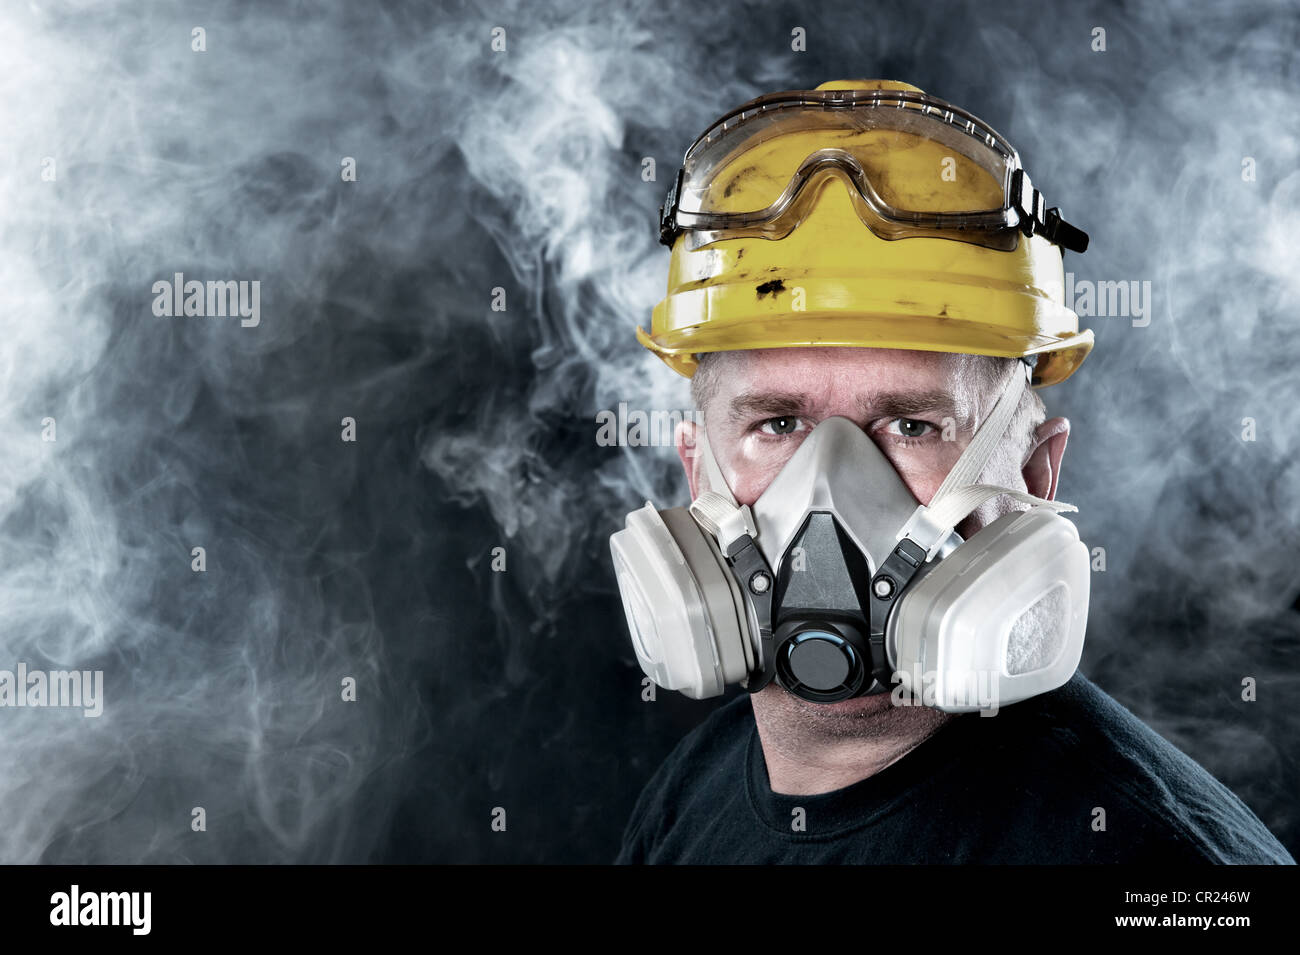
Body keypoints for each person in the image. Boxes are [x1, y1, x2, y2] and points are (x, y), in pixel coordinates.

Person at [610, 79, 1294, 864]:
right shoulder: (692, 795)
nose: (827, 484)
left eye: (910, 425)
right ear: (697, 469)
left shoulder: (1163, 865)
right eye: (779, 424)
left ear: (1037, 474)